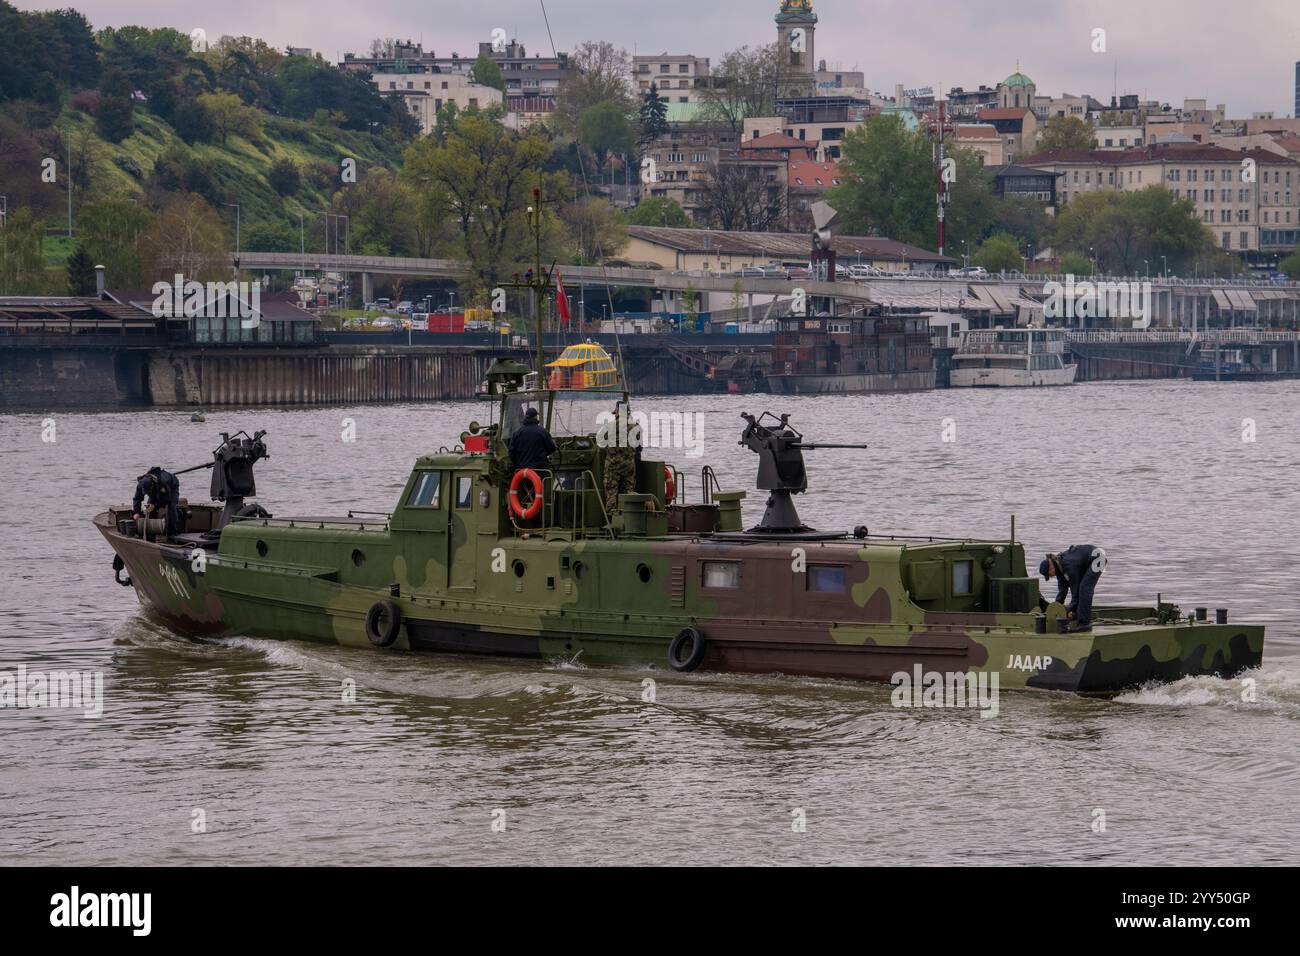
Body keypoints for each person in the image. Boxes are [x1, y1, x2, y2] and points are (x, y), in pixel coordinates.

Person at [1039, 545, 1106, 632]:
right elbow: (1063, 589)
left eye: (1049, 574)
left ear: (1051, 567)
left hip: (1097, 558)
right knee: (1081, 589)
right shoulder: (1058, 566)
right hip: (1087, 560)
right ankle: (1080, 616)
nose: (1051, 576)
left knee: (1084, 588)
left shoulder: (1068, 565)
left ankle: (1085, 623)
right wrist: (1056, 608)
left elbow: (1076, 592)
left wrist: (1071, 609)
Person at [133, 466, 181, 537]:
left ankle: (173, 532)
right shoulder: (141, 484)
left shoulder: (163, 483)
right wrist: (136, 512)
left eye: (148, 492)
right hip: (157, 489)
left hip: (172, 486)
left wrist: (155, 506)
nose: (147, 493)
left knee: (171, 505)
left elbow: (166, 499)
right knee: (150, 506)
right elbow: (137, 498)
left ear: (152, 485)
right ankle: (151, 533)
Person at [508, 407, 556, 472]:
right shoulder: (542, 431)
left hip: (522, 470)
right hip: (540, 470)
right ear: (535, 417)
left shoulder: (517, 433)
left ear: (526, 417)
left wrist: (517, 465)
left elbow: (511, 452)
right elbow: (552, 448)